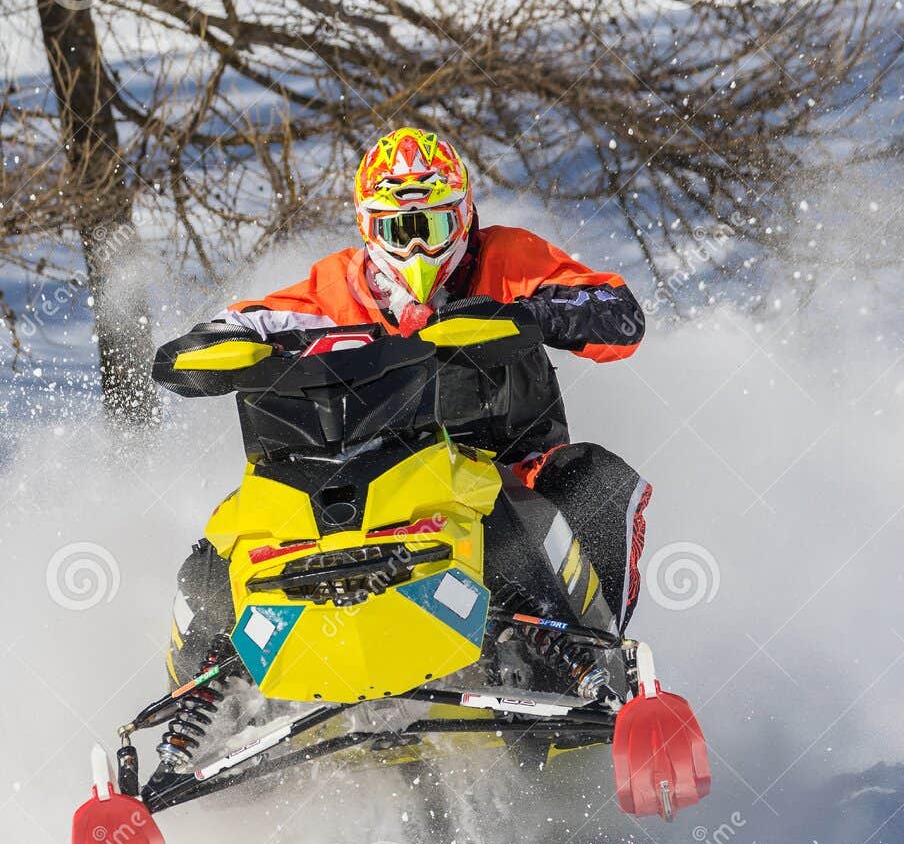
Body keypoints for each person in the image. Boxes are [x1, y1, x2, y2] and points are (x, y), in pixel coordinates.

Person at [153, 126, 652, 684]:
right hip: (375, 489)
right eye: (398, 230)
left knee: (591, 482)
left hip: (501, 472)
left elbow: (619, 316)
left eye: (434, 226)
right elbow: (252, 319)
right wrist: (212, 347)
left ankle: (601, 666)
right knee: (230, 534)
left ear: (463, 218)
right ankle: (195, 710)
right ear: (369, 228)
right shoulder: (335, 291)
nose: (418, 248)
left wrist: (529, 317)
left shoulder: (509, 259)